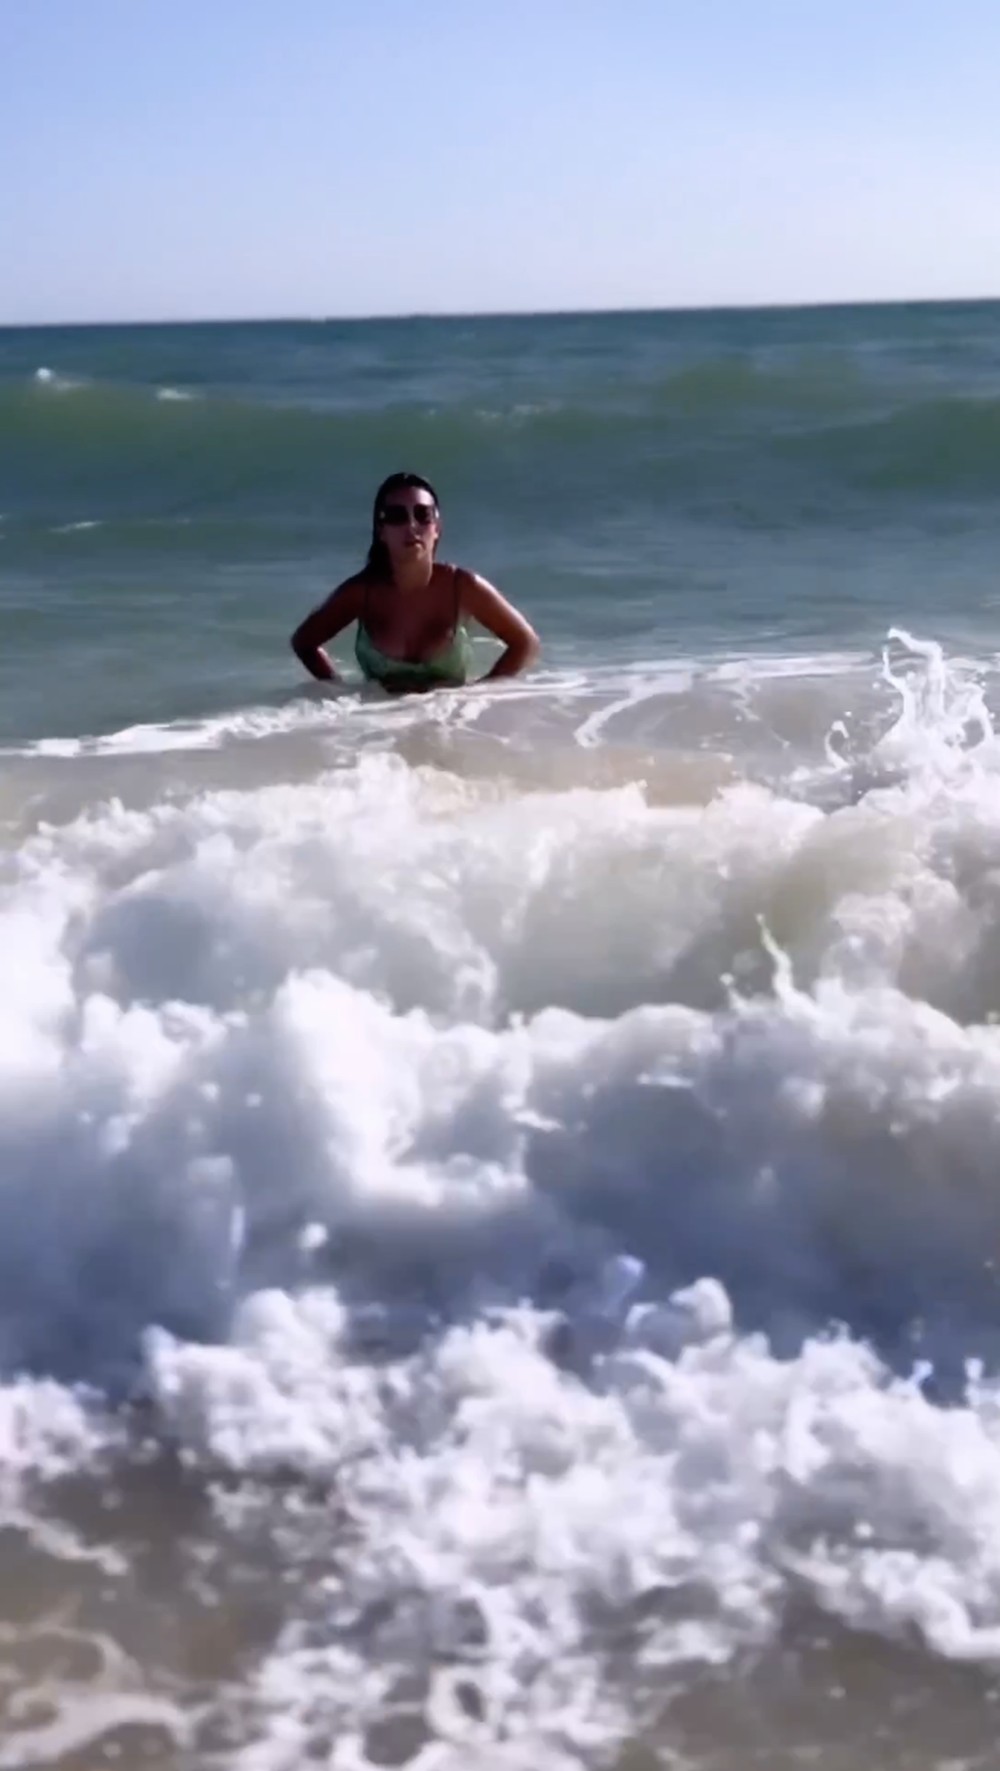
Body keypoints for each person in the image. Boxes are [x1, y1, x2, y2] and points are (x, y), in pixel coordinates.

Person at [290, 473, 539, 694]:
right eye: (397, 516)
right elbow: (304, 643)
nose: (412, 525)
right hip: (376, 734)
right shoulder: (362, 593)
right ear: (381, 530)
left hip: (450, 726)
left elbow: (524, 643)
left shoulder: (461, 587)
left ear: (437, 528)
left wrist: (475, 699)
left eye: (423, 515)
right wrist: (341, 694)